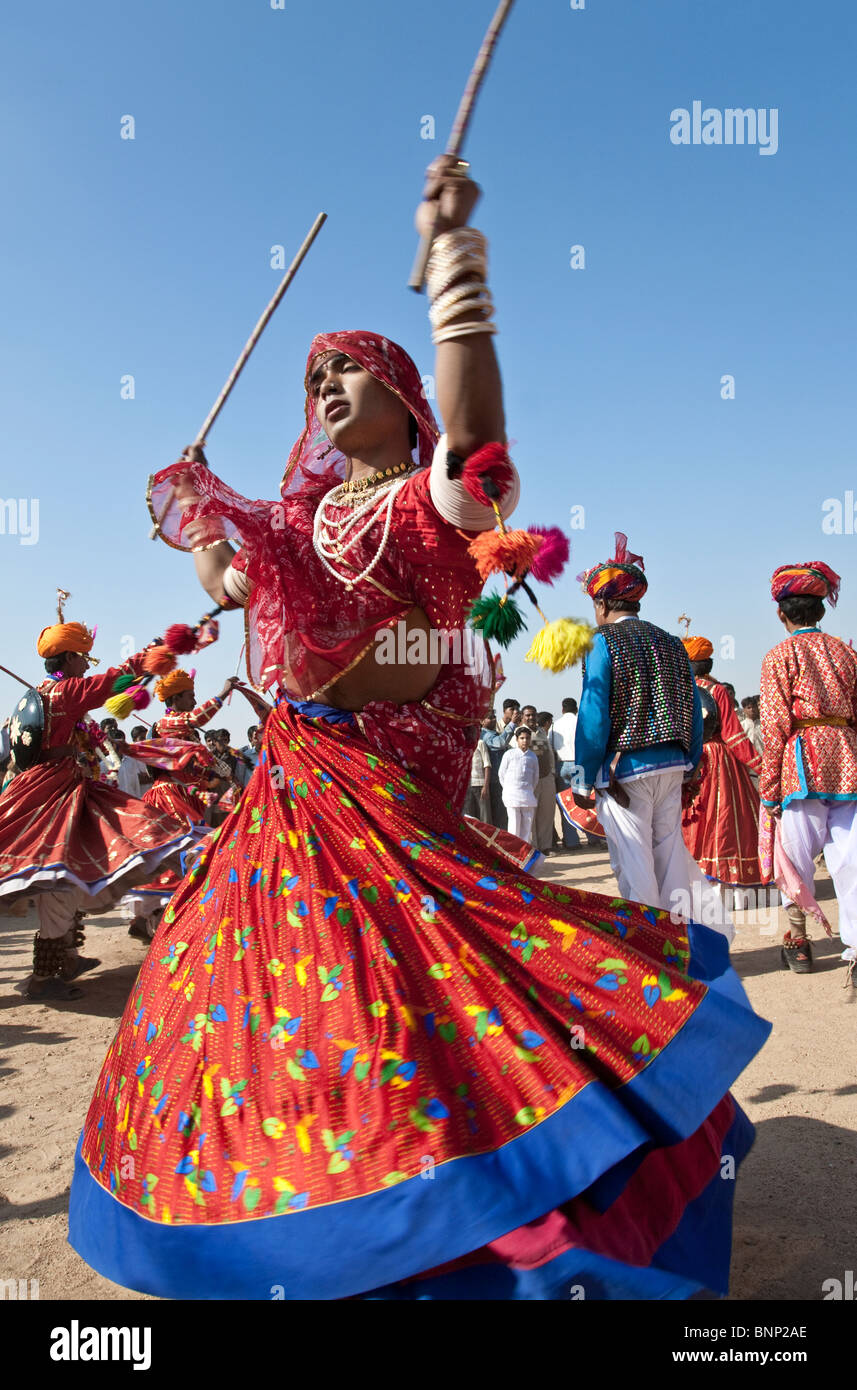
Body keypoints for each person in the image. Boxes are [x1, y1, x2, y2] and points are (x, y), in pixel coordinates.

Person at [70, 158, 767, 1302]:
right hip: (293, 781)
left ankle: (476, 1221)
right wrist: (198, 498)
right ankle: (308, 1224)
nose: (328, 384)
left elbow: (480, 437)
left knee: (397, 988)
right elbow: (225, 574)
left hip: (388, 779)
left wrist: (455, 276)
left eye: (351, 367)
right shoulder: (297, 522)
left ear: (403, 396)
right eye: (314, 378)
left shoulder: (425, 500)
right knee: (264, 991)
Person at [0, 605, 199, 1000]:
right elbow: (109, 683)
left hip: (42, 784)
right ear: (70, 658)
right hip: (55, 789)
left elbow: (83, 727)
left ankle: (66, 957)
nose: (83, 665)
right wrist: (145, 658)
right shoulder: (65, 691)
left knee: (65, 871)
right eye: (81, 658)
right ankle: (44, 977)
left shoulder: (40, 694)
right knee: (58, 871)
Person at [574, 534, 712, 921]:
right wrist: (691, 760)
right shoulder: (671, 642)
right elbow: (692, 702)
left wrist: (583, 776)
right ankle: (680, 943)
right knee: (669, 860)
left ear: (601, 604)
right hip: (671, 764)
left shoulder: (600, 642)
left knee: (635, 867)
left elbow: (594, 713)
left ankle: (652, 951)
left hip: (625, 772)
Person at [759, 562, 857, 977]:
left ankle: (799, 943)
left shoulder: (778, 656)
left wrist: (768, 790)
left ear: (782, 613)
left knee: (794, 857)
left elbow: (775, 725)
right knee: (851, 861)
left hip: (802, 765)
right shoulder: (847, 652)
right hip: (848, 761)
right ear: (821, 609)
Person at [681, 636, 763, 902]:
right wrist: (761, 766)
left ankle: (691, 885)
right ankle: (727, 887)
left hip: (688, 761)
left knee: (691, 817)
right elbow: (734, 736)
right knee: (725, 818)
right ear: (709, 664)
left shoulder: (678, 690)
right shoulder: (718, 692)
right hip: (719, 761)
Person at [498, 724, 539, 843]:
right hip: (512, 795)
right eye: (522, 738)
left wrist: (529, 790)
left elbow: (535, 777)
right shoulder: (509, 754)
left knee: (527, 825)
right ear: (516, 740)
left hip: (527, 795)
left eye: (527, 738)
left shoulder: (532, 756)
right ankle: (514, 852)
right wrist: (509, 789)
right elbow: (502, 774)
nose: (524, 741)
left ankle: (525, 852)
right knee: (514, 825)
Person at [552, 696, 584, 848]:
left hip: (562, 764)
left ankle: (572, 841)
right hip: (579, 764)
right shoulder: (581, 722)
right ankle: (593, 838)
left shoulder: (555, 725)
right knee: (584, 802)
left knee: (566, 804)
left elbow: (551, 746)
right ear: (576, 709)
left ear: (562, 709)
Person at [532, 711, 558, 854]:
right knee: (532, 815)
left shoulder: (542, 733)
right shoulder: (519, 733)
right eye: (527, 715)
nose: (531, 718)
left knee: (546, 814)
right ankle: (533, 847)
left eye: (533, 715)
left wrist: (552, 772)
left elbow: (546, 754)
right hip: (530, 781)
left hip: (547, 777)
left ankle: (545, 846)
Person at [462, 725, 491, 819]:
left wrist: (485, 786)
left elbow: (487, 765)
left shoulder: (480, 743)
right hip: (467, 785)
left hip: (480, 785)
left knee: (484, 815)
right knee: (469, 816)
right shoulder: (462, 744)